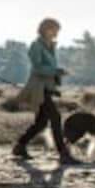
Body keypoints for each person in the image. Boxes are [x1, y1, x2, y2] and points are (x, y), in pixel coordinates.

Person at [12, 17, 78, 165]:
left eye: (57, 30)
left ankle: (20, 146)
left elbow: (48, 67)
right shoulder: (36, 46)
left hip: (47, 88)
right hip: (38, 88)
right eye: (54, 30)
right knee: (55, 117)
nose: (56, 33)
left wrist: (58, 73)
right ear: (46, 29)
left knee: (41, 123)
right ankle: (63, 153)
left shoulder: (50, 46)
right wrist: (57, 71)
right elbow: (37, 68)